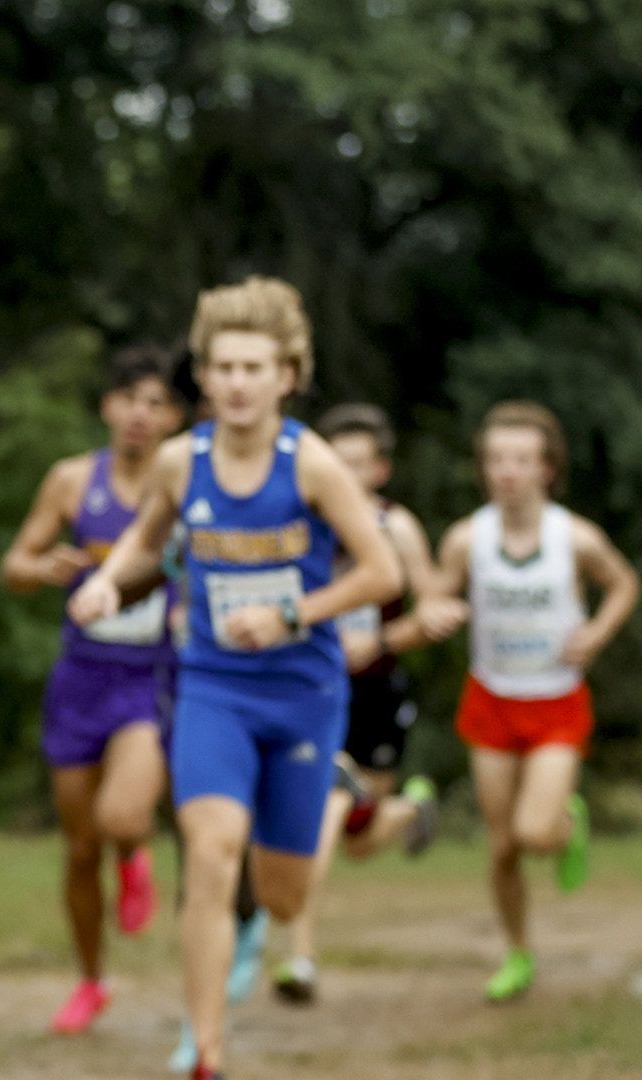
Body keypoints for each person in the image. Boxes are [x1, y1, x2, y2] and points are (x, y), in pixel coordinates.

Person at [70, 276, 401, 1079]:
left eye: (257, 367)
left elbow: (382, 572)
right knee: (210, 853)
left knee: (283, 895)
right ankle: (204, 1048)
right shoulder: (183, 464)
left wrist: (293, 614)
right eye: (225, 368)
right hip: (215, 686)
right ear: (206, 377)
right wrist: (113, 581)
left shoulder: (313, 464)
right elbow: (150, 547)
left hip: (303, 694)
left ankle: (272, 904)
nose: (240, 383)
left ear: (288, 375)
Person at [0, 344, 184, 1035]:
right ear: (109, 407)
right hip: (81, 678)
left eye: (157, 402)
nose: (141, 414)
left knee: (123, 819)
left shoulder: (186, 486)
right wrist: (42, 565)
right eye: (130, 398)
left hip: (149, 679)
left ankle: (136, 855)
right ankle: (91, 980)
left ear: (174, 417)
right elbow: (14, 564)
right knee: (79, 851)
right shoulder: (73, 481)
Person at [431, 400, 637, 1003]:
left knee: (532, 832)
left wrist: (596, 634)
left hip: (555, 702)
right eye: (496, 459)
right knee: (502, 848)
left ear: (548, 468)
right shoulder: (468, 538)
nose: (507, 471)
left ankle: (565, 826)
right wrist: (436, 612)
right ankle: (518, 951)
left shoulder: (573, 536)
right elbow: (438, 599)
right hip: (492, 698)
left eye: (521, 459)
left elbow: (624, 584)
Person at [268, 403, 467, 1003]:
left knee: (356, 841)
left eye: (359, 463)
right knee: (317, 815)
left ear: (380, 469)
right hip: (311, 692)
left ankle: (408, 810)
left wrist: (381, 639)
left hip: (376, 694)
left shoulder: (396, 527)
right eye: (337, 461)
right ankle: (300, 959)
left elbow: (432, 608)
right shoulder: (297, 518)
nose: (347, 474)